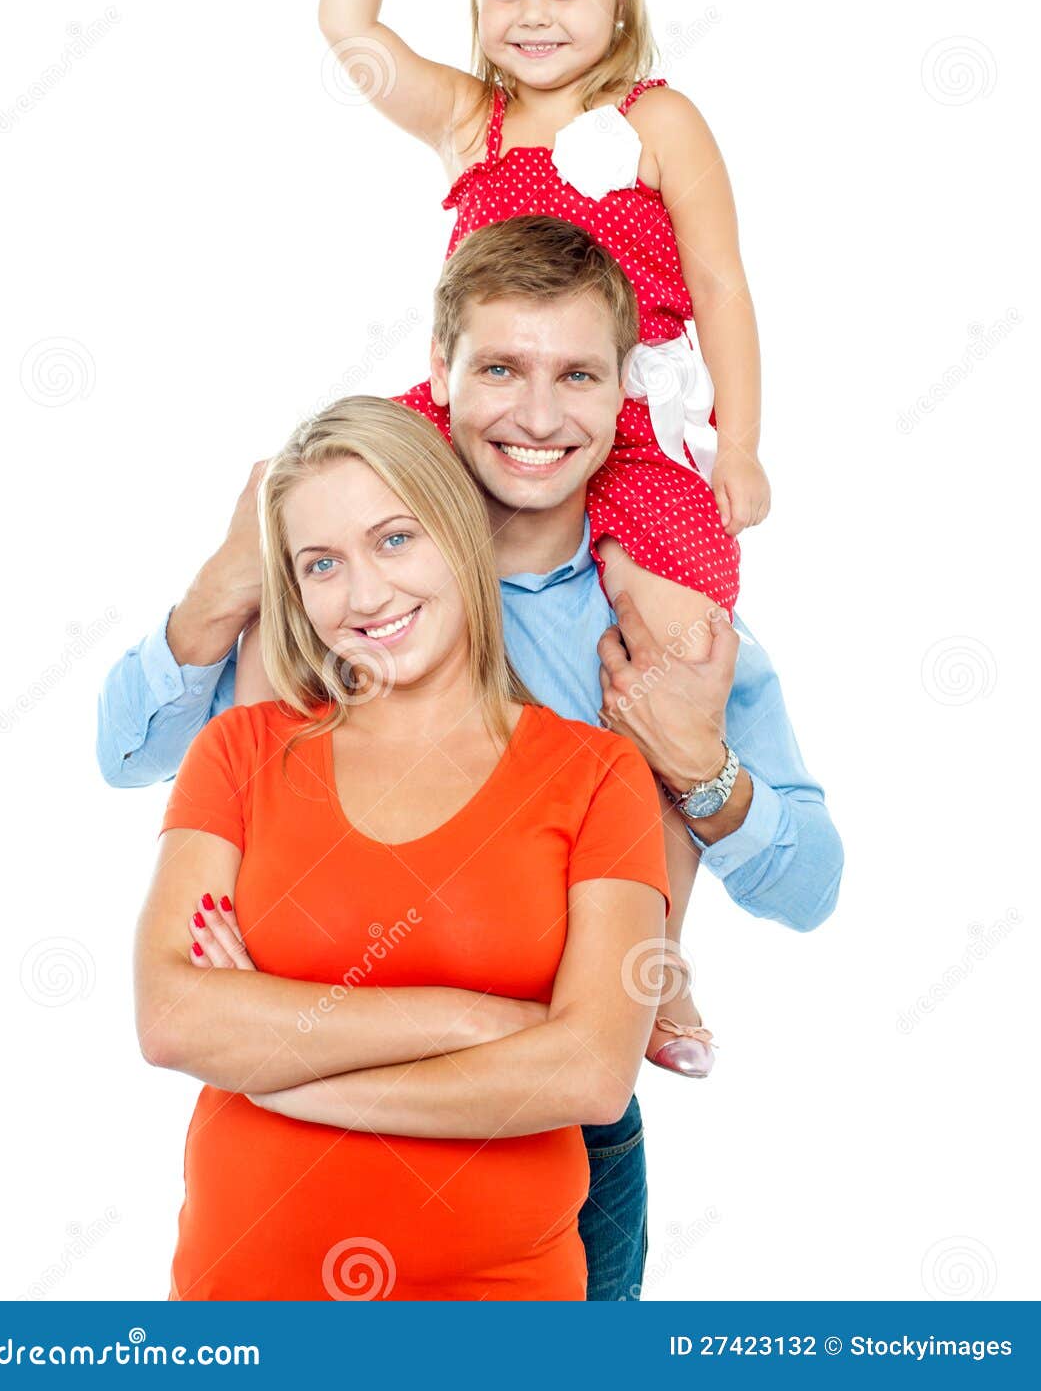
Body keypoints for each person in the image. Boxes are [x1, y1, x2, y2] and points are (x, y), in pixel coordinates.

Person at [98, 213, 843, 1302]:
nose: (538, 416)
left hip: (540, 1139)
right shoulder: (351, 576)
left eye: (578, 375)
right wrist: (230, 578)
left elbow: (811, 888)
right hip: (286, 1155)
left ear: (622, 391)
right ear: (440, 372)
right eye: (500, 367)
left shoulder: (667, 628)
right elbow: (132, 756)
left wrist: (699, 765)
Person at [317, 0, 771, 1059]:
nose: (532, 13)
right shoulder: (474, 121)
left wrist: (736, 441)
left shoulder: (660, 117)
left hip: (628, 420)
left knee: (678, 651)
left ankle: (653, 956)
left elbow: (726, 279)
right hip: (477, 417)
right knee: (341, 509)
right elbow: (345, 30)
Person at [134, 396, 671, 1300]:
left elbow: (587, 1072)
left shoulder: (596, 774)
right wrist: (470, 1023)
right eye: (322, 564)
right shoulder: (241, 751)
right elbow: (173, 1019)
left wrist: (284, 1073)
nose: (367, 595)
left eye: (393, 540)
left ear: (459, 533)